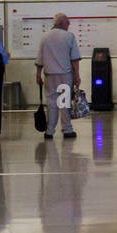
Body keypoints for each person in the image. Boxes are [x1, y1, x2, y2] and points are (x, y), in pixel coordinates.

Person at [35, 12, 81, 140]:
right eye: (68, 23)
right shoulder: (69, 37)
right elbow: (74, 59)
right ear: (63, 23)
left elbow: (40, 58)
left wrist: (38, 75)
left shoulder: (45, 37)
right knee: (64, 102)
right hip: (64, 75)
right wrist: (77, 75)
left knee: (51, 103)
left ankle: (49, 131)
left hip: (49, 75)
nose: (69, 25)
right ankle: (67, 129)